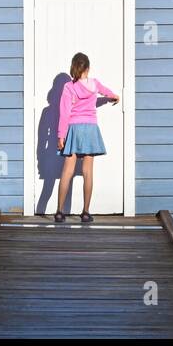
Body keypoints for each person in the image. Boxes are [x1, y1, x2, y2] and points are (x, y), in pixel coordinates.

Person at [55, 52, 118, 223]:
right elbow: (106, 92)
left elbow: (65, 113)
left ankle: (59, 212)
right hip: (90, 129)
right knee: (88, 172)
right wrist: (114, 96)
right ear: (88, 68)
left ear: (74, 68)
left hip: (74, 129)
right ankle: (85, 212)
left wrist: (61, 136)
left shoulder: (69, 87)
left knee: (67, 171)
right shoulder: (95, 84)